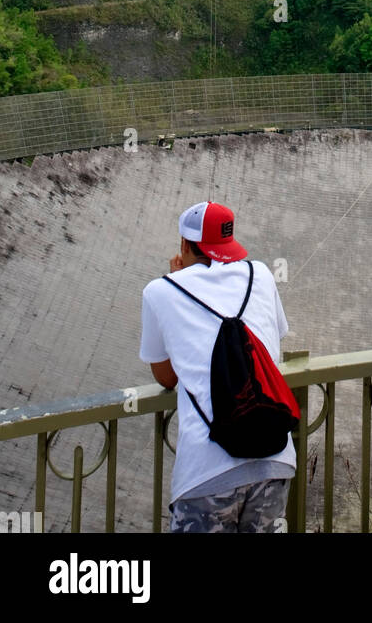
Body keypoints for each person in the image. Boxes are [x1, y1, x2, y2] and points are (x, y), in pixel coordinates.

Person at [139, 200, 296, 532]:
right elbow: (274, 340)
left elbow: (166, 377)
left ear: (184, 244)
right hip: (275, 461)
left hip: (207, 473)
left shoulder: (160, 291)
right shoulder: (262, 274)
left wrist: (177, 281)